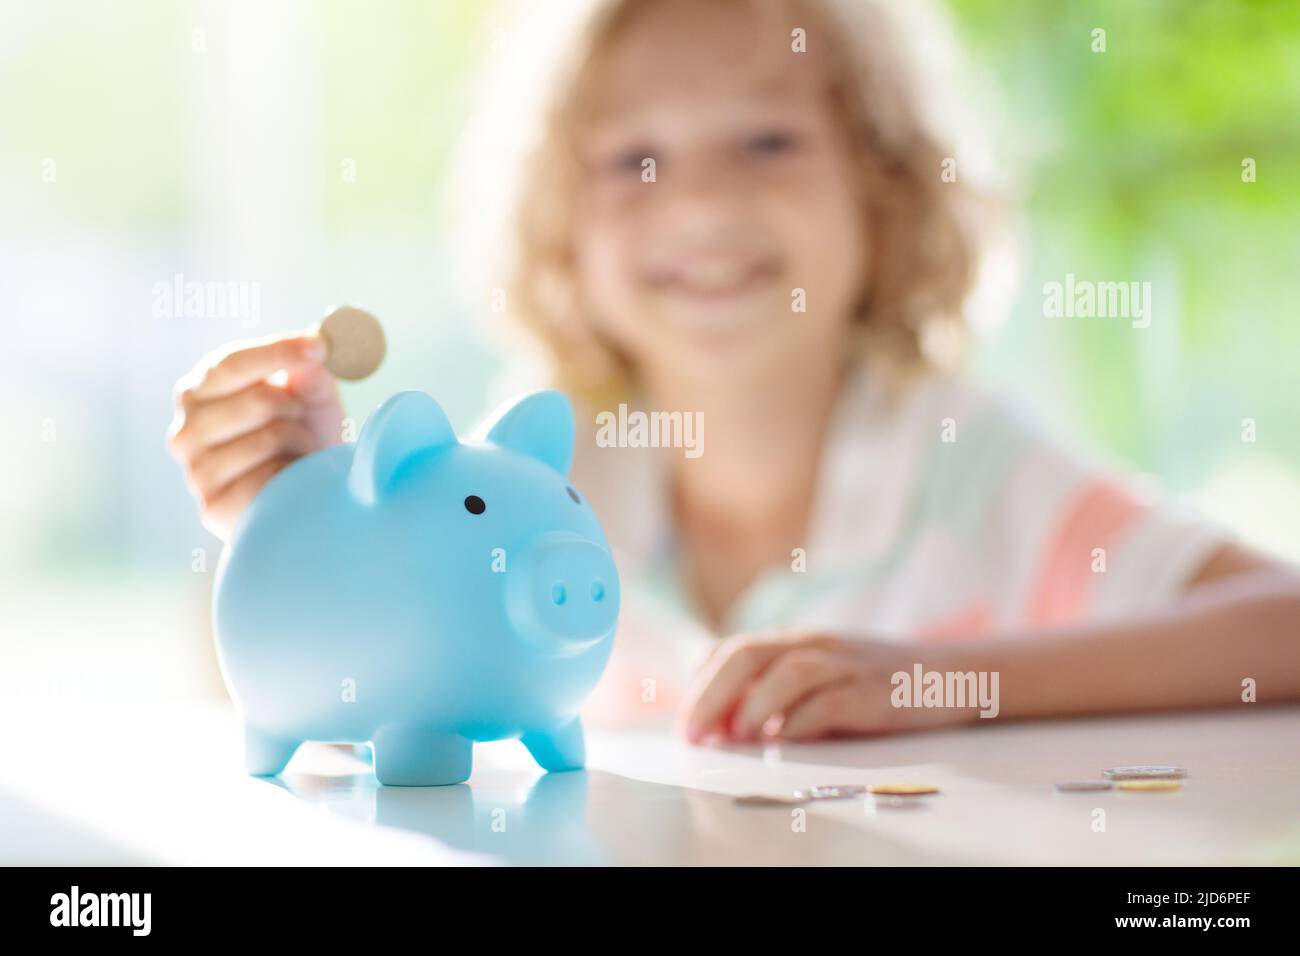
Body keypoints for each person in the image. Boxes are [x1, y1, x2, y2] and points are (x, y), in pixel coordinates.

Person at [167, 0, 1300, 747]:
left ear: (886, 187)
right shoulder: (542, 466)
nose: (702, 202)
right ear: (560, 222)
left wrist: (932, 682)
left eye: (768, 140)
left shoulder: (964, 463)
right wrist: (309, 527)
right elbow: (356, 716)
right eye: (635, 159)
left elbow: (1283, 623)